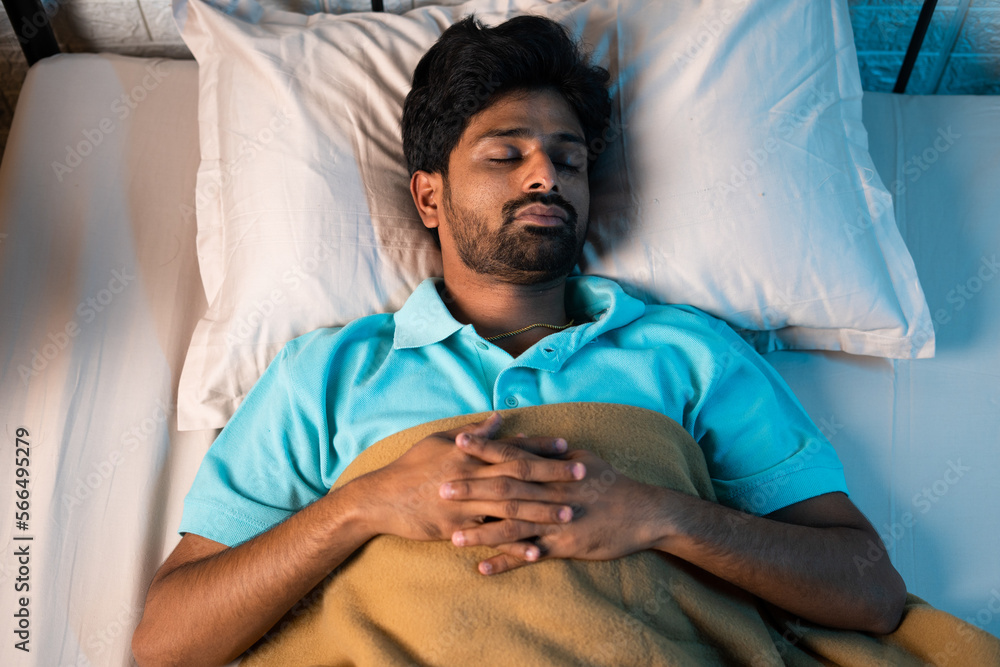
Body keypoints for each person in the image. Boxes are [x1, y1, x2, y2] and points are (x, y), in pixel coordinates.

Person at [131, 15, 906, 667]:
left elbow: (870, 589)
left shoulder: (687, 352)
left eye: (569, 159)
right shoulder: (327, 373)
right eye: (506, 154)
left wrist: (661, 515)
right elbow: (166, 639)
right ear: (428, 196)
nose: (547, 175)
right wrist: (363, 506)